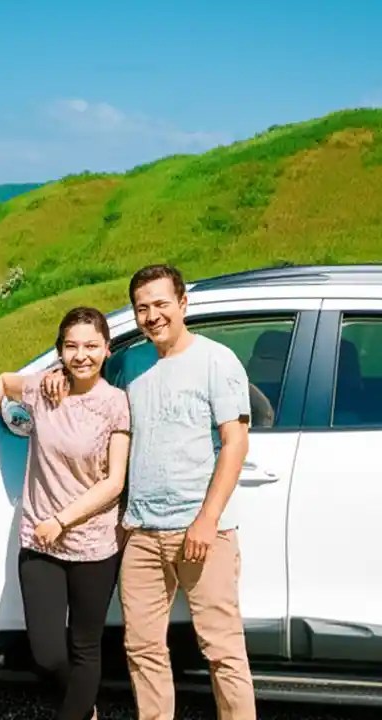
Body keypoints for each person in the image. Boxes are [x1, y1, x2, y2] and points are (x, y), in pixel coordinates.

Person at [42, 264, 257, 720]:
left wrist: (206, 519)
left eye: (162, 304)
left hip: (203, 530)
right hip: (140, 532)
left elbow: (236, 442)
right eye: (142, 308)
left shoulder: (217, 361)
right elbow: (88, 371)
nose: (152, 315)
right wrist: (57, 374)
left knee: (222, 649)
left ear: (183, 303)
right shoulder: (130, 363)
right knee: (142, 649)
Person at [0, 306, 132, 720]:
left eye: (91, 346)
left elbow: (114, 482)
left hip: (92, 544)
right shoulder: (45, 391)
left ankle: (81, 712)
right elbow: (6, 381)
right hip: (39, 542)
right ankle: (86, 708)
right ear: (60, 351)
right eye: (72, 346)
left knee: (85, 647)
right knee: (46, 653)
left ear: (107, 348)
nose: (82, 355)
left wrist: (62, 520)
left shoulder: (116, 403)